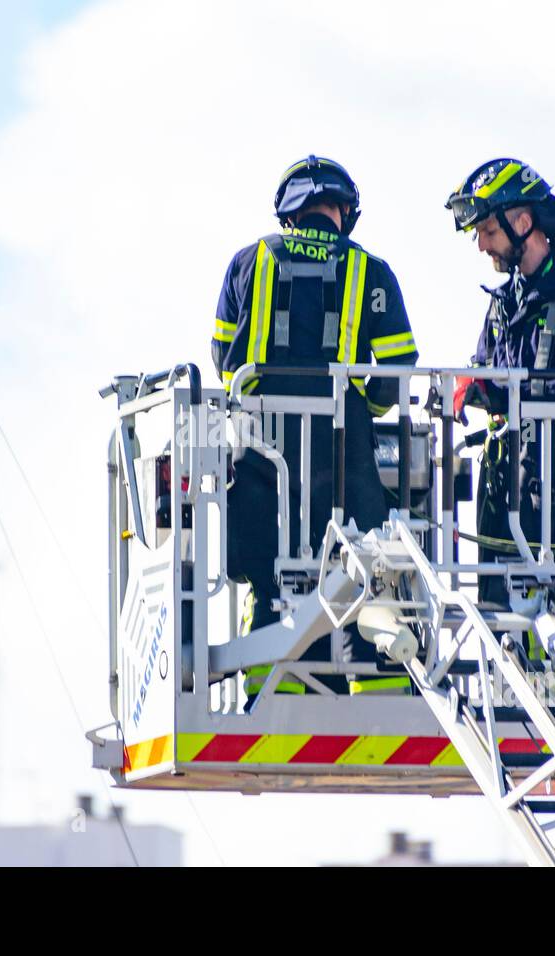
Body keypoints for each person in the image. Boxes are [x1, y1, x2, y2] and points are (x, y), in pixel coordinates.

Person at [213, 155, 418, 697]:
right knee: (361, 567)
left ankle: (276, 686)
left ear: (289, 212)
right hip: (342, 455)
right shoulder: (370, 270)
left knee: (268, 570)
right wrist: (366, 410)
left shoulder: (246, 261)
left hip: (260, 449)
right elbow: (395, 373)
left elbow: (223, 358)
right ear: (343, 210)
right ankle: (379, 695)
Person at [445, 158, 555, 607]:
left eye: (488, 231)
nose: (482, 245)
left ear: (523, 222)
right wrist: (469, 384)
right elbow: (487, 366)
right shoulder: (504, 303)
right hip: (503, 468)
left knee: (549, 580)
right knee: (496, 590)